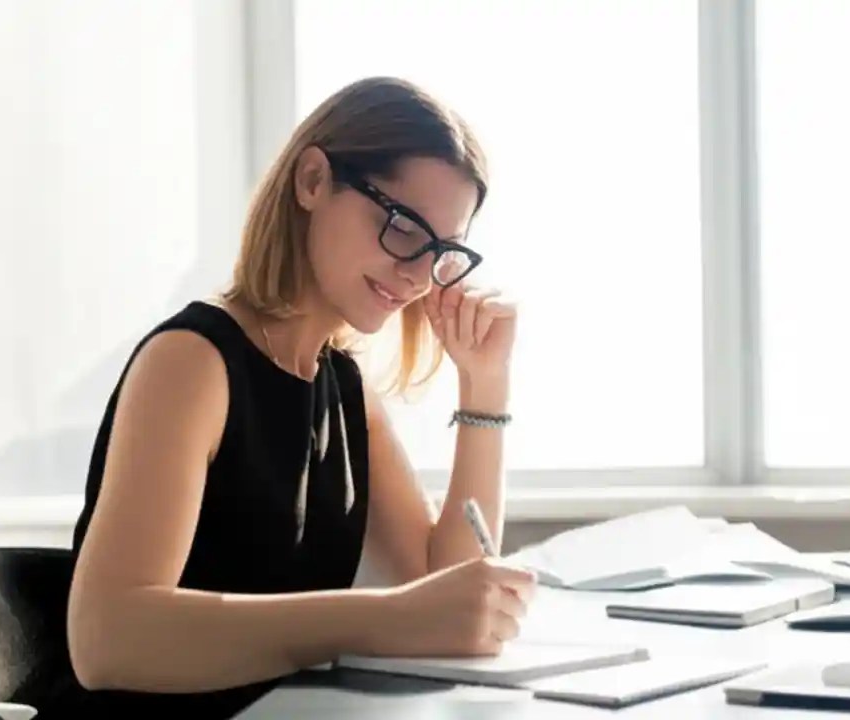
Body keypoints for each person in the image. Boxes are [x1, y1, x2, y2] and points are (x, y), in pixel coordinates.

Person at [57, 76, 538, 717]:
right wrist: (379, 618)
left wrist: (485, 382)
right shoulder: (193, 361)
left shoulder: (341, 383)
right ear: (312, 181)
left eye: (441, 252)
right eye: (402, 227)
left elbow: (444, 588)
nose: (418, 277)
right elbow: (107, 639)